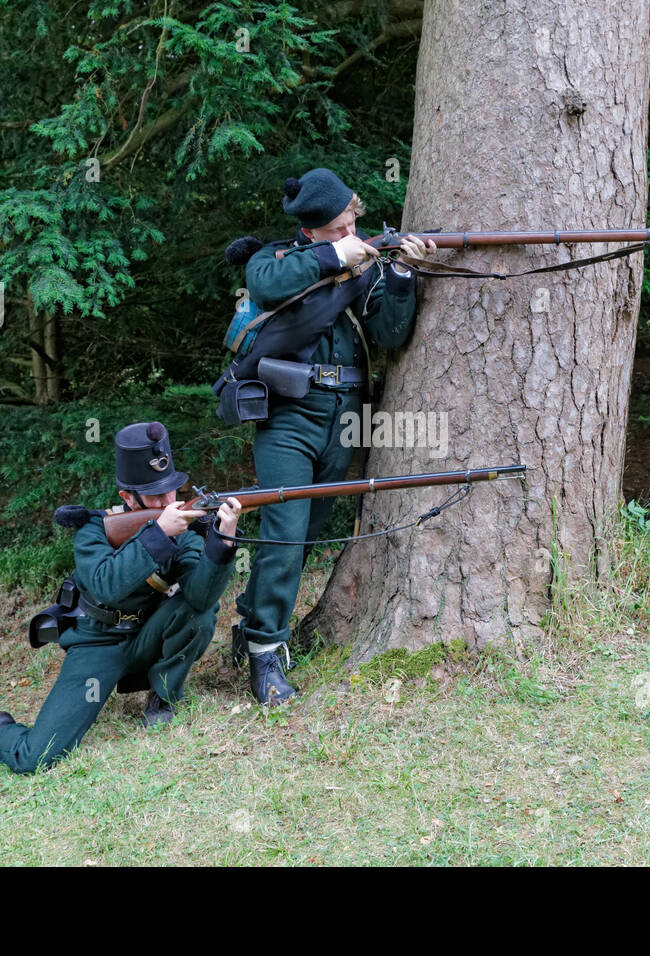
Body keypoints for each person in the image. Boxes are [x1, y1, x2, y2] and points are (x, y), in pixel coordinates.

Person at [217, 167, 435, 705]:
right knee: (285, 534)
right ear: (311, 232)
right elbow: (266, 285)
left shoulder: (362, 265)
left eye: (352, 222)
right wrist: (340, 257)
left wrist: (402, 274)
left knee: (306, 532)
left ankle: (249, 623)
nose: (351, 232)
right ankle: (266, 654)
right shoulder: (278, 260)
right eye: (340, 228)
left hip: (344, 416)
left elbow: (388, 332)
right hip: (288, 416)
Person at [0, 421, 242, 773]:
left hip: (146, 635)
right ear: (127, 498)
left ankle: (163, 698)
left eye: (171, 491)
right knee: (39, 757)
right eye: (155, 495)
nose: (167, 502)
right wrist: (158, 534)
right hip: (97, 644)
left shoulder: (184, 530)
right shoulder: (94, 530)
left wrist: (223, 540)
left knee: (198, 613)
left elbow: (201, 597)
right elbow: (106, 585)